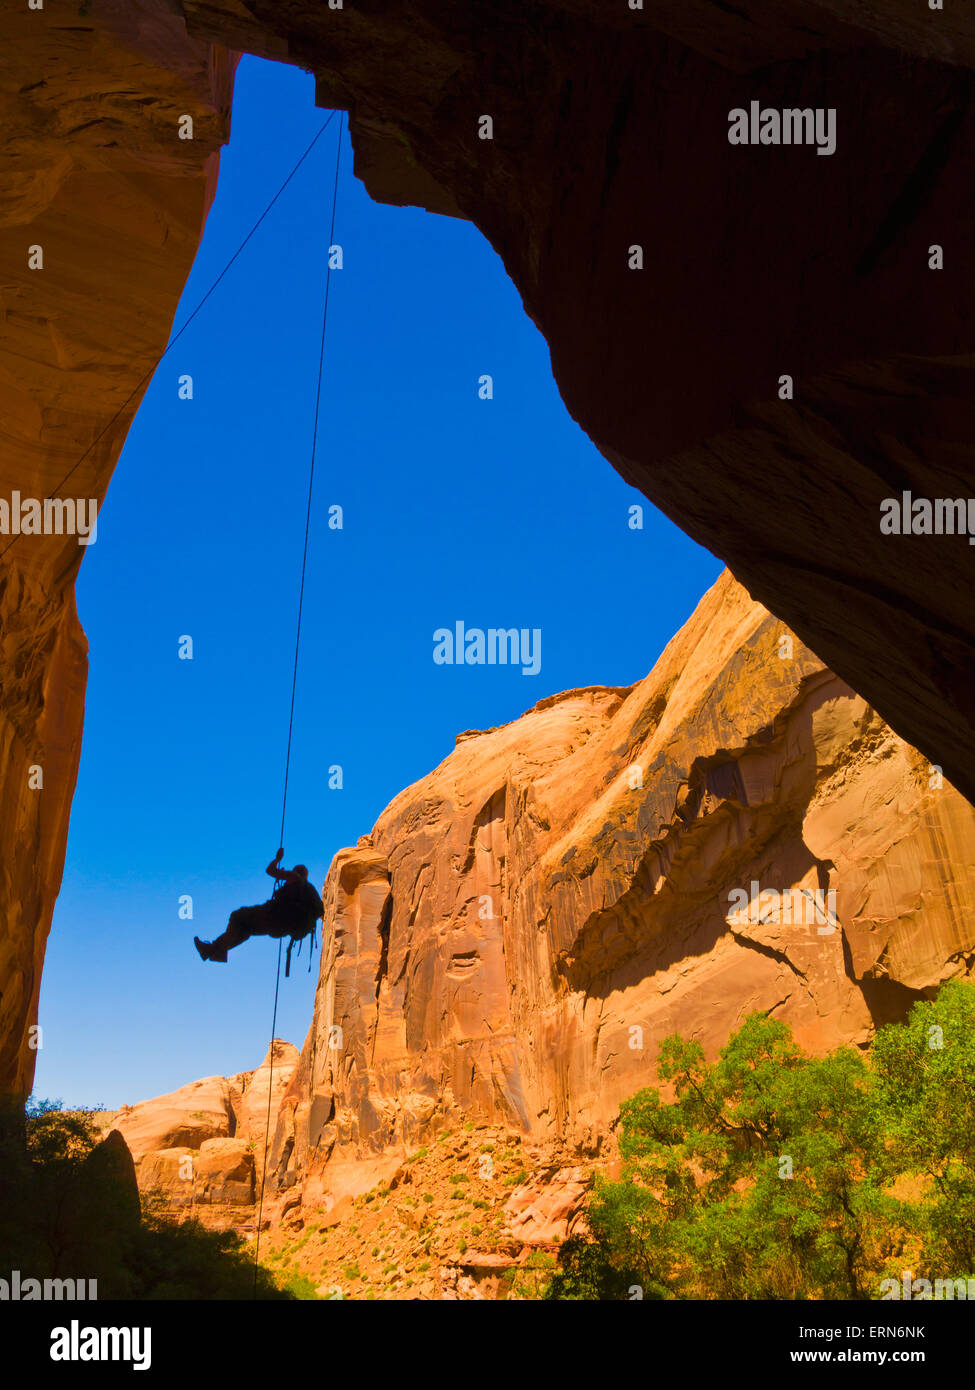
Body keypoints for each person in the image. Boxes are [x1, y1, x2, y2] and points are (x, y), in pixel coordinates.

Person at [194, 850, 324, 963]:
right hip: (282, 927)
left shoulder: (295, 877)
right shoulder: (309, 892)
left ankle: (214, 951)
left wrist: (278, 859)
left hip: (273, 916)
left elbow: (270, 870)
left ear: (296, 872)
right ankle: (214, 951)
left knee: (238, 916)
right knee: (245, 930)